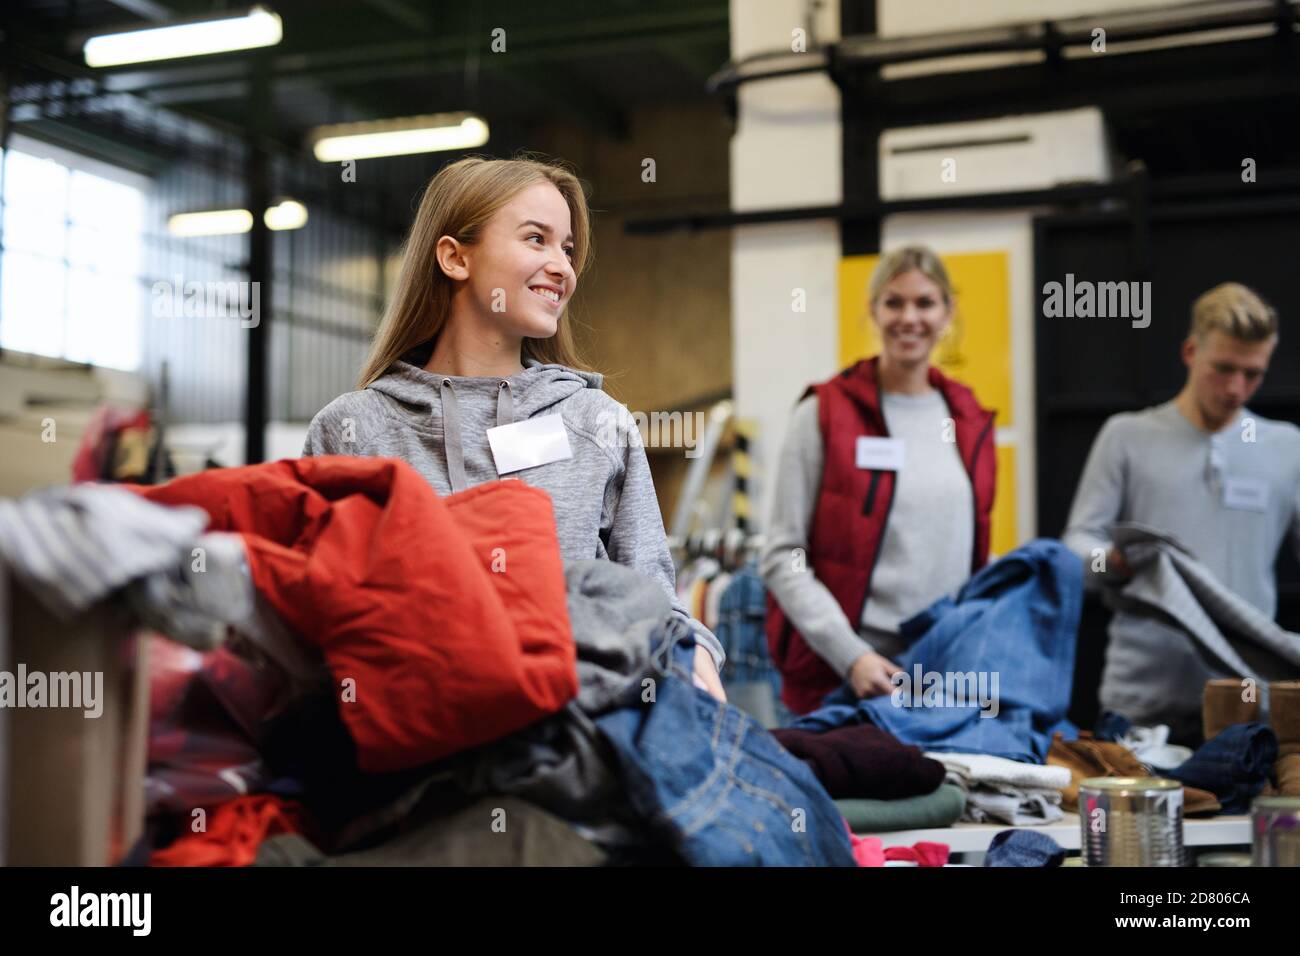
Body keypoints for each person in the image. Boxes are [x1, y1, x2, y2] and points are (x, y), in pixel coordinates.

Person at [301, 154, 726, 700]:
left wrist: (694, 655)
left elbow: (651, 595)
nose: (563, 268)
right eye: (536, 239)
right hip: (409, 747)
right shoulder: (352, 430)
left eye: (567, 249)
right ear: (455, 258)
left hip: (572, 742)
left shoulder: (595, 423)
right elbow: (317, 612)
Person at [762, 245, 997, 715]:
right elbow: (781, 557)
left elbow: (973, 552)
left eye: (925, 303)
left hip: (941, 675)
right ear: (873, 310)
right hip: (840, 678)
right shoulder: (824, 413)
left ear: (948, 312)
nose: (909, 317)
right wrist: (852, 656)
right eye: (894, 302)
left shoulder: (969, 420)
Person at [1063, 282, 1300, 741]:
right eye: (1223, 369)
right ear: (1191, 352)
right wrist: (1111, 561)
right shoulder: (1127, 436)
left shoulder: (1287, 447)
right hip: (1142, 699)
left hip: (1247, 701)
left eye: (1252, 374)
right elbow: (1075, 547)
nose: (1235, 388)